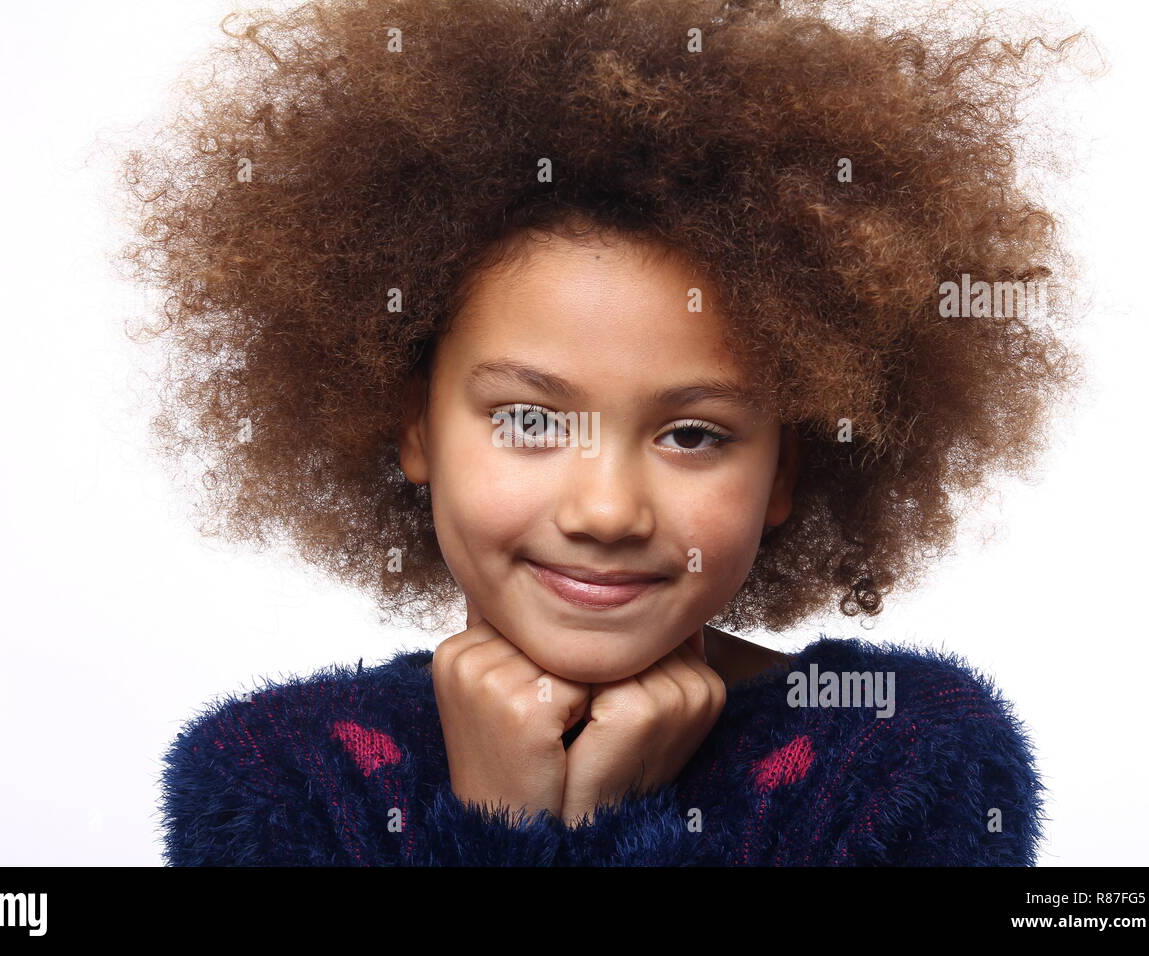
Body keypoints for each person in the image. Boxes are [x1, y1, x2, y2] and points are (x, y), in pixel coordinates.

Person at [120, 0, 1086, 865]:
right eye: (533, 420)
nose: (607, 509)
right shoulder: (278, 778)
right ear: (412, 424)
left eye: (695, 436)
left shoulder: (903, 755)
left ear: (785, 466)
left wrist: (598, 835)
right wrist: (509, 828)